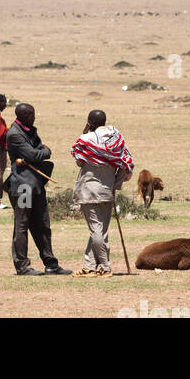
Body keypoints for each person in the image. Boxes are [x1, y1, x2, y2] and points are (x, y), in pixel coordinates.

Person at [4, 103, 69, 275]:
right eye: (31, 114)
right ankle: (23, 266)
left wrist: (41, 152)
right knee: (22, 224)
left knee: (43, 224)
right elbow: (34, 154)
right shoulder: (14, 134)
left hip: (37, 185)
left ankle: (51, 264)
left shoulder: (31, 130)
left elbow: (37, 151)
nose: (34, 117)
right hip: (23, 186)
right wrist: (45, 152)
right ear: (22, 116)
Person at [70, 109, 135, 277]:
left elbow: (79, 160)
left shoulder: (86, 140)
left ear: (89, 122)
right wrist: (115, 184)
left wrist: (85, 133)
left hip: (89, 191)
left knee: (96, 231)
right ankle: (89, 266)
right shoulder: (116, 138)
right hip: (107, 191)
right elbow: (125, 164)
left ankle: (105, 267)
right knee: (100, 230)